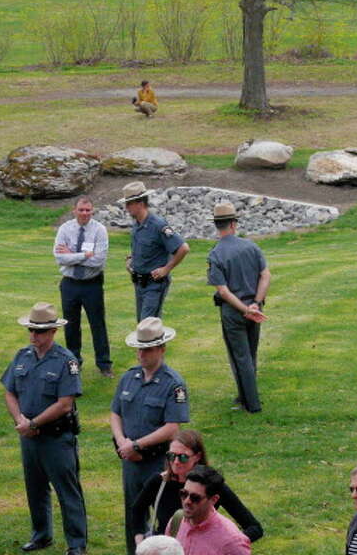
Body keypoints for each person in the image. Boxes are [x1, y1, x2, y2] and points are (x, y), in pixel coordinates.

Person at [1, 303, 88, 555]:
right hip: (29, 438)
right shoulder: (22, 356)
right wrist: (20, 420)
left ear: (52, 332)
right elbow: (9, 391)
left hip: (56, 438)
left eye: (39, 331)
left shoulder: (65, 361)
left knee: (67, 491)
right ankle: (41, 535)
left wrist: (34, 423)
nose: (33, 336)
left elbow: (64, 404)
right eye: (31, 330)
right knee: (35, 488)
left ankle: (76, 543)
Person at [111, 318, 190, 555]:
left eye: (147, 349)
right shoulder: (129, 378)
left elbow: (172, 428)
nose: (141, 354)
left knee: (161, 516)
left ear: (162, 349)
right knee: (133, 513)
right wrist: (122, 443)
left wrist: (136, 444)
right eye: (139, 348)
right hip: (130, 462)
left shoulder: (173, 384)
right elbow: (115, 413)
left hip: (157, 463)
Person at [130, 431, 262, 545]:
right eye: (171, 456)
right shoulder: (158, 482)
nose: (175, 462)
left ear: (197, 457)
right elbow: (136, 511)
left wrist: (225, 546)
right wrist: (140, 541)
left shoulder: (212, 485)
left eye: (183, 457)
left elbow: (254, 528)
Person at [205, 203, 270, 413]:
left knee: (240, 357)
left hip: (234, 312)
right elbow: (265, 275)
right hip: (254, 308)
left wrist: (243, 309)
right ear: (233, 224)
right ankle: (245, 394)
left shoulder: (216, 254)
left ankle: (251, 404)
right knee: (251, 354)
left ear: (218, 226)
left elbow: (223, 291)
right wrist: (255, 303)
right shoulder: (252, 247)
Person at [56, 197, 113, 378]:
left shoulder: (99, 230)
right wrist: (84, 255)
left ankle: (104, 365)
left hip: (92, 284)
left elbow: (99, 260)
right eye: (81, 210)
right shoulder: (65, 229)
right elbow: (59, 257)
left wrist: (72, 255)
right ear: (74, 210)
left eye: (88, 210)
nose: (85, 213)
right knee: (71, 325)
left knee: (98, 324)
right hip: (70, 283)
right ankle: (74, 363)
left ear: (92, 211)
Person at [122, 183, 189, 320]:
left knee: (148, 326)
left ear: (140, 203)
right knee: (144, 326)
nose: (126, 208)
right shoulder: (137, 225)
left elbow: (183, 248)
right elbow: (146, 248)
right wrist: (132, 261)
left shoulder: (158, 225)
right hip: (139, 283)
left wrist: (166, 269)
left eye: (129, 204)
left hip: (154, 285)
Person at [174, 466, 249, 555]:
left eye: (195, 498)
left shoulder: (232, 542)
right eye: (184, 493)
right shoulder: (177, 520)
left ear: (214, 500)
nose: (187, 501)